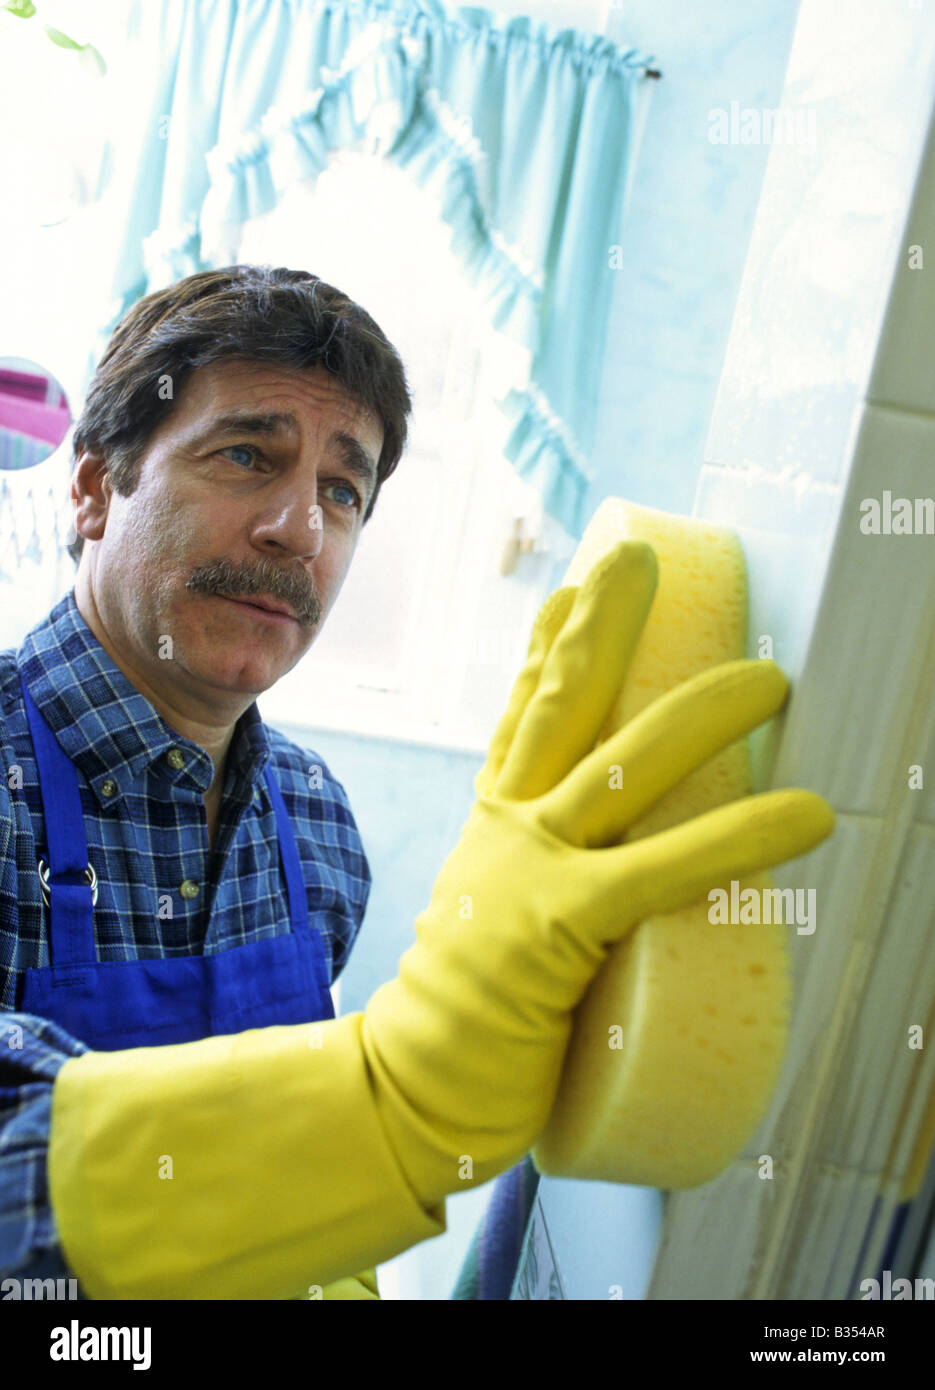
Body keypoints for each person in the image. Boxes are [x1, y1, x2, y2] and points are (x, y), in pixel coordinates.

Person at [0, 264, 834, 1301]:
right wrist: (392, 1104)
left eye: (341, 491)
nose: (298, 529)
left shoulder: (312, 821)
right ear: (92, 485)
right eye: (247, 455)